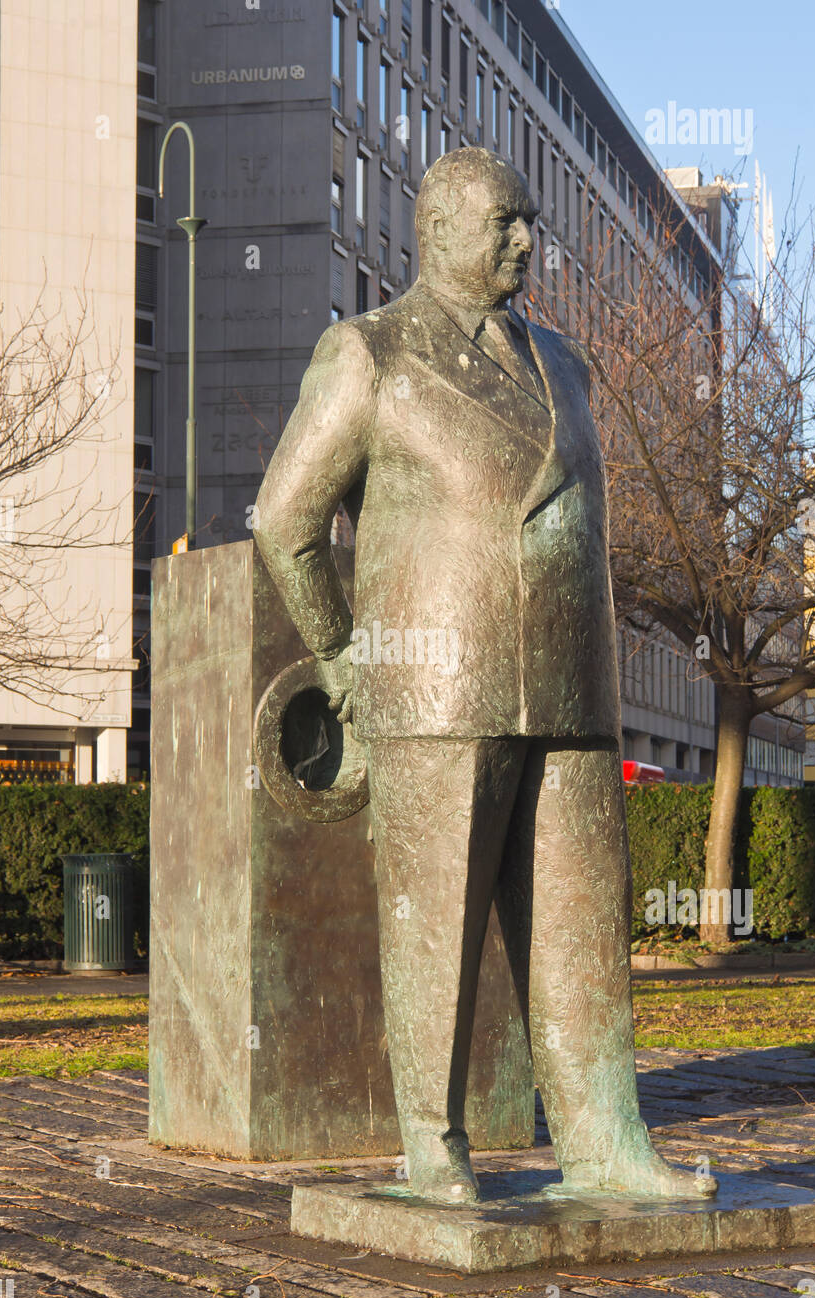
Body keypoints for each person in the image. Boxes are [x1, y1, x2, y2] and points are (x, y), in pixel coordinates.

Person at [254, 147, 717, 1205]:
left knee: (580, 923)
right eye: (505, 221)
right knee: (436, 919)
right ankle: (432, 1145)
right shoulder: (369, 353)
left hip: (570, 683)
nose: (525, 241)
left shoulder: (566, 363)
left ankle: (604, 1142)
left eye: (528, 222)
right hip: (435, 685)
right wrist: (344, 657)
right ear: (437, 229)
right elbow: (287, 519)